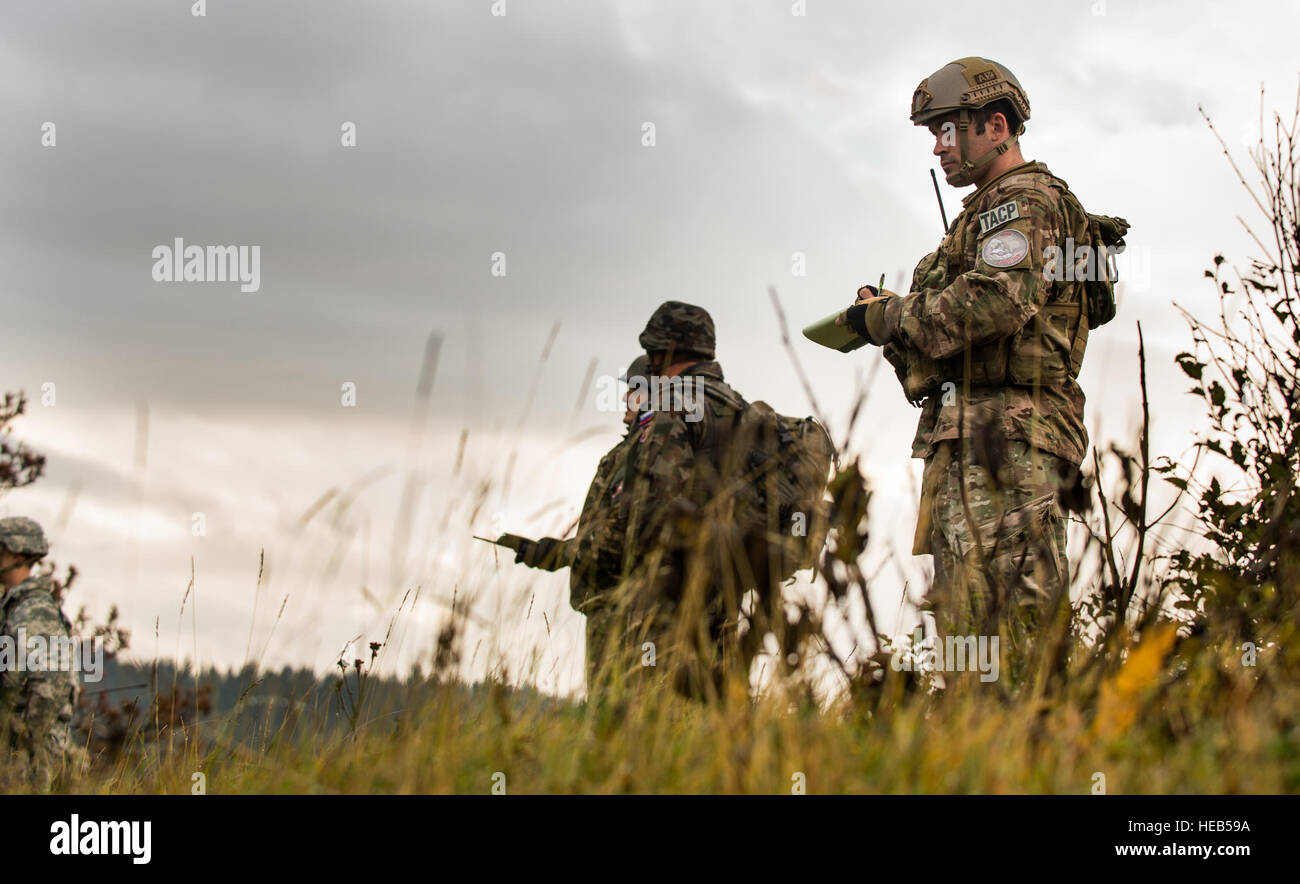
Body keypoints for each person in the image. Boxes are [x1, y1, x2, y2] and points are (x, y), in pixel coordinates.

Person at [839, 58, 1102, 659]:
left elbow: (994, 303)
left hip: (1008, 444)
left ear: (997, 126)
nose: (938, 148)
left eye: (948, 130)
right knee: (967, 646)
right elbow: (947, 341)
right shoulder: (982, 215)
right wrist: (888, 322)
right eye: (933, 133)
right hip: (969, 440)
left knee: (1020, 644)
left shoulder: (1027, 202)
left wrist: (890, 316)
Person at [504, 355, 651, 689]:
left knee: (614, 715)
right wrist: (550, 553)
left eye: (636, 390)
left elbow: (619, 538)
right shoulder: (627, 452)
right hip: (609, 609)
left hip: (622, 613)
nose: (626, 397)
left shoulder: (647, 453)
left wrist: (557, 553)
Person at [0, 516, 79, 791]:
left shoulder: (34, 610)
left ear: (18, 552)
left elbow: (49, 683)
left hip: (31, 756)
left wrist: (27, 739)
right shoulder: (13, 608)